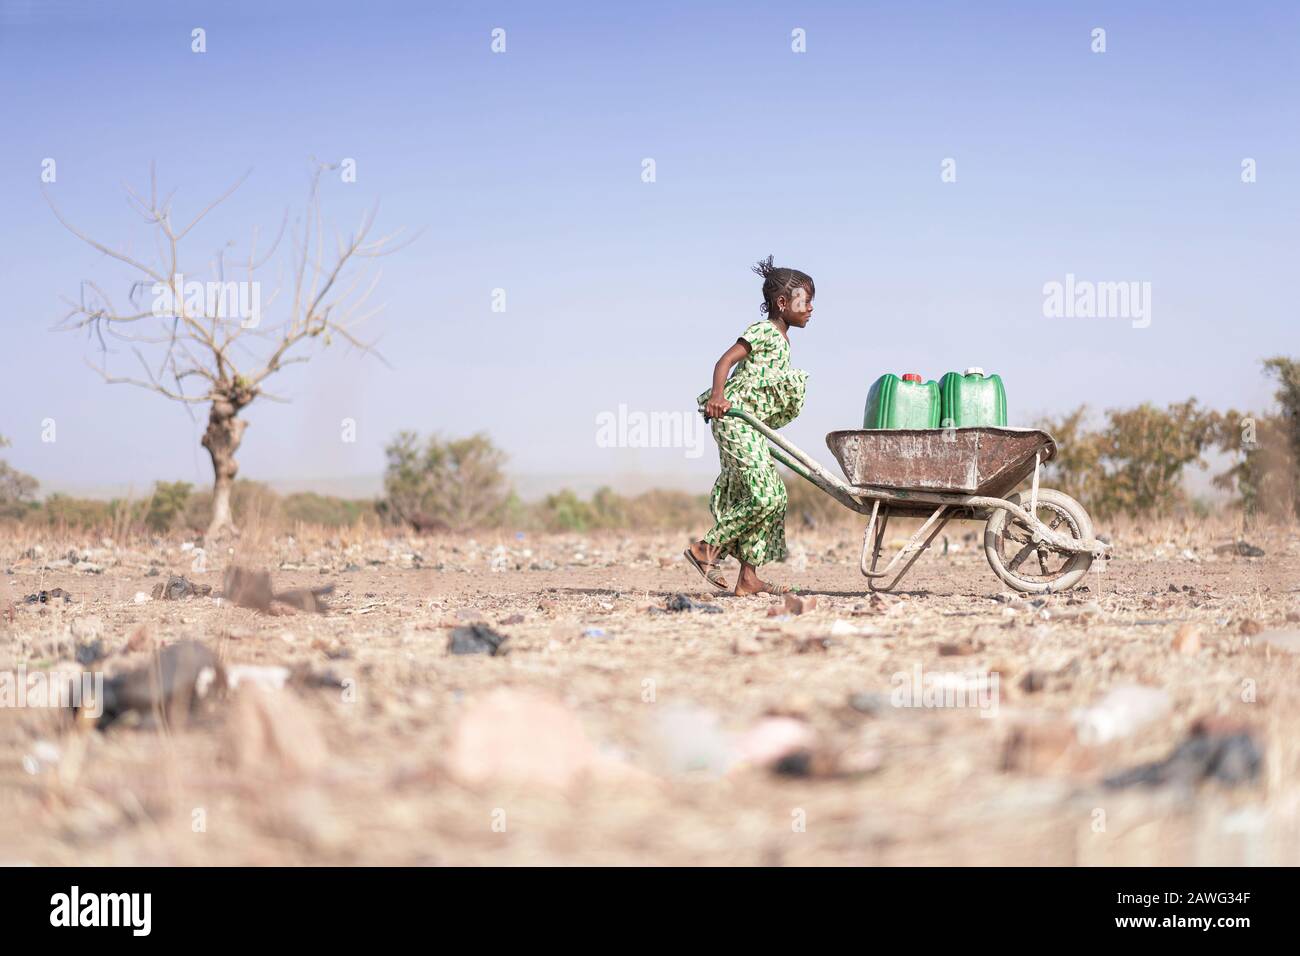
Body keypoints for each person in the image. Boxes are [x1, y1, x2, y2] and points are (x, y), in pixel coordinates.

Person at [684, 255, 814, 596]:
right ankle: (706, 549)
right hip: (734, 420)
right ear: (782, 303)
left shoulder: (783, 341)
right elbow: (725, 360)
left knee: (772, 497)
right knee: (766, 496)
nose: (811, 308)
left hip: (750, 426)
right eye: (806, 300)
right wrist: (717, 395)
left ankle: (748, 577)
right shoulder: (762, 331)